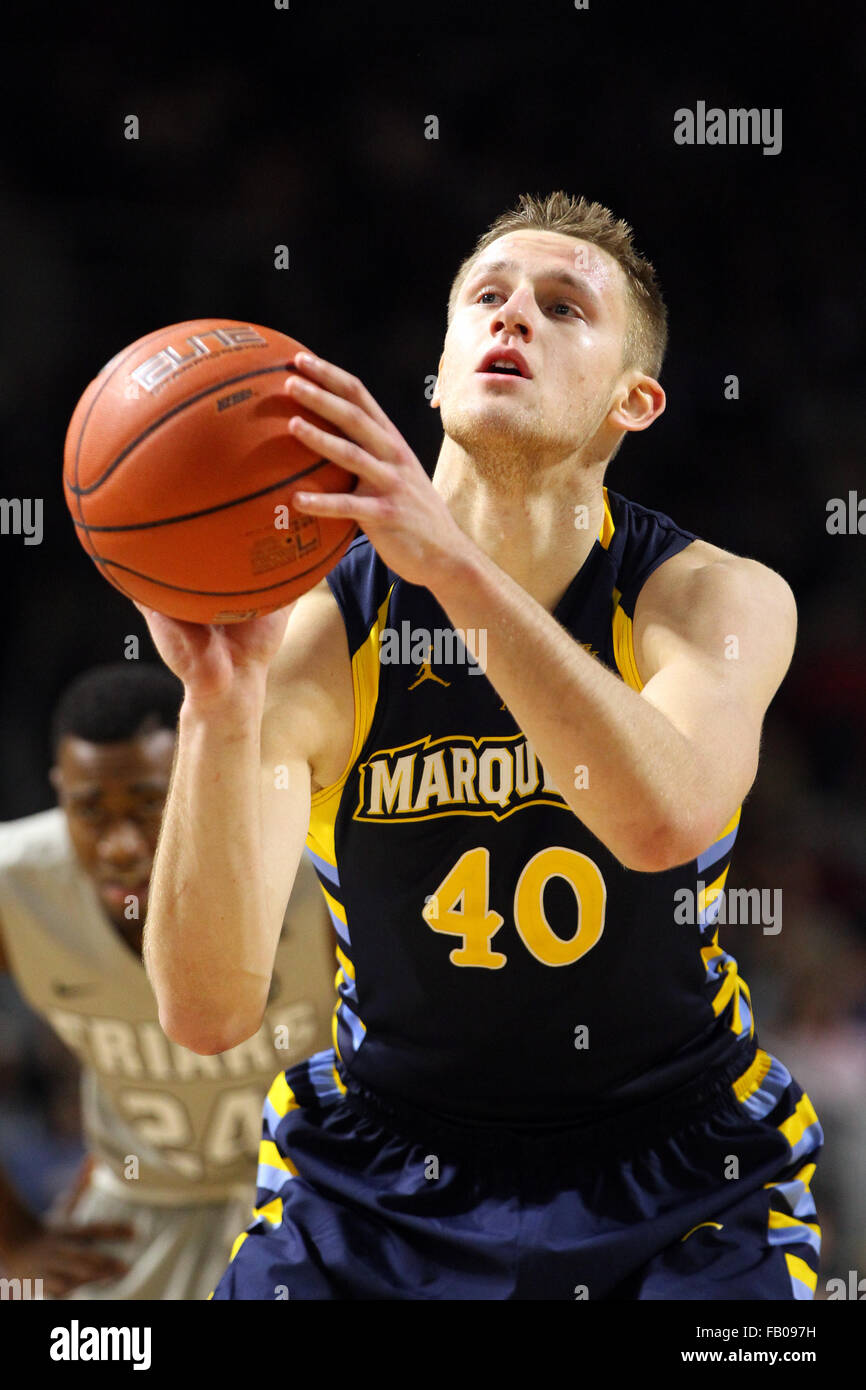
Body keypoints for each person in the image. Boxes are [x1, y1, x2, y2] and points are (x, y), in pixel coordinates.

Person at [140, 192, 823, 1301]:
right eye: (487, 298)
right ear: (443, 363)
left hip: (678, 1175)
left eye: (563, 308)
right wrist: (217, 708)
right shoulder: (321, 630)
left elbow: (660, 822)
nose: (515, 318)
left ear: (629, 402)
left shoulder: (711, 598)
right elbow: (208, 1011)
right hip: (377, 1177)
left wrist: (452, 566)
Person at [0, 662, 336, 1299]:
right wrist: (12, 1237)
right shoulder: (18, 882)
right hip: (135, 1213)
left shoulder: (306, 868)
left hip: (312, 1194)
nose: (121, 845)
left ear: (203, 787)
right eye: (91, 810)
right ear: (59, 793)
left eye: (152, 803)